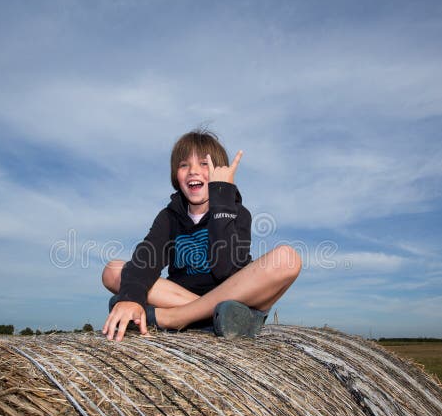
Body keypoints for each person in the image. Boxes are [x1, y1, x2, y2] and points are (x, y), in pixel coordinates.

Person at [101, 130, 301, 341]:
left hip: (235, 295)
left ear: (220, 173)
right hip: (195, 300)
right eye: (183, 165)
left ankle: (176, 318)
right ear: (175, 176)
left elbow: (227, 270)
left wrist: (222, 198)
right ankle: (213, 319)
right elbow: (147, 257)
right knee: (113, 271)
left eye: (204, 164)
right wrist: (130, 298)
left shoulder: (238, 213)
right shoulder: (169, 216)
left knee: (287, 259)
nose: (192, 171)